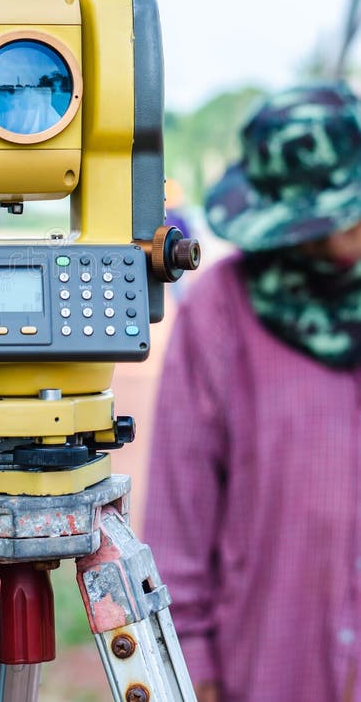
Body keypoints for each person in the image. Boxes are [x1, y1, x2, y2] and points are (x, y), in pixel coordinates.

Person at [144, 83, 361, 702]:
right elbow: (179, 517)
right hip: (266, 666)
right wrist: (191, 669)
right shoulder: (220, 311)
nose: (338, 236)